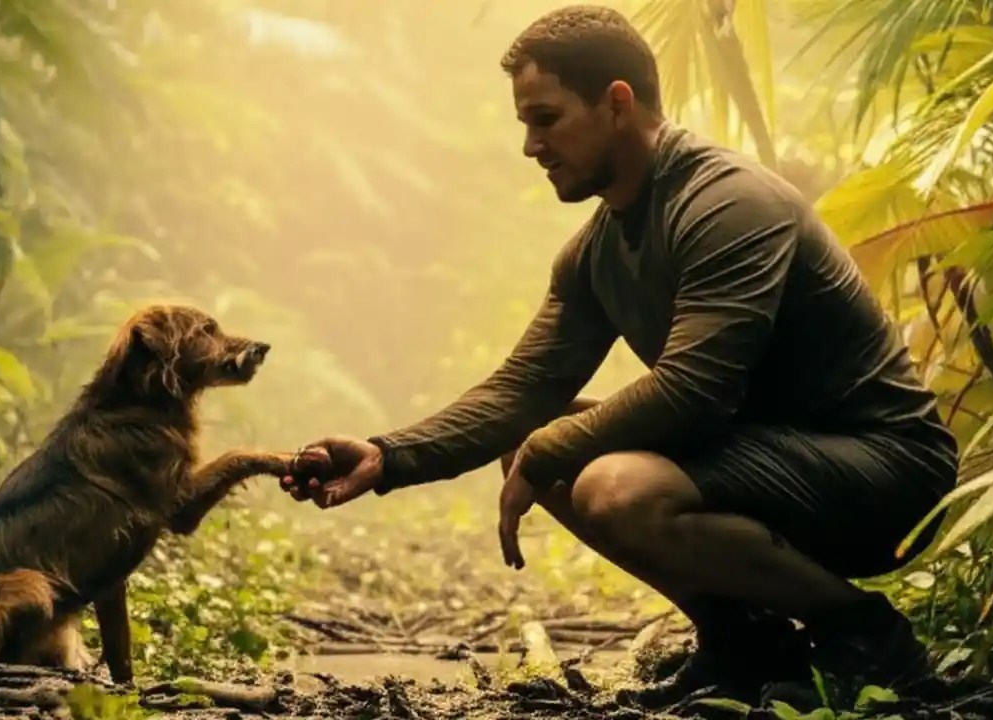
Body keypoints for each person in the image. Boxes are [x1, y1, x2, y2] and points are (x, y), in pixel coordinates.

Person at [280, 4, 958, 706]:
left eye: (545, 119)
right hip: (765, 456)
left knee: (611, 486)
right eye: (525, 124)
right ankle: (744, 644)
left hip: (886, 471)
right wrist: (388, 454)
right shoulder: (597, 248)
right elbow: (524, 389)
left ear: (617, 103)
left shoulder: (727, 203)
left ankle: (867, 636)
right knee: (530, 436)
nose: (531, 146)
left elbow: (695, 389)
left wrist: (549, 448)